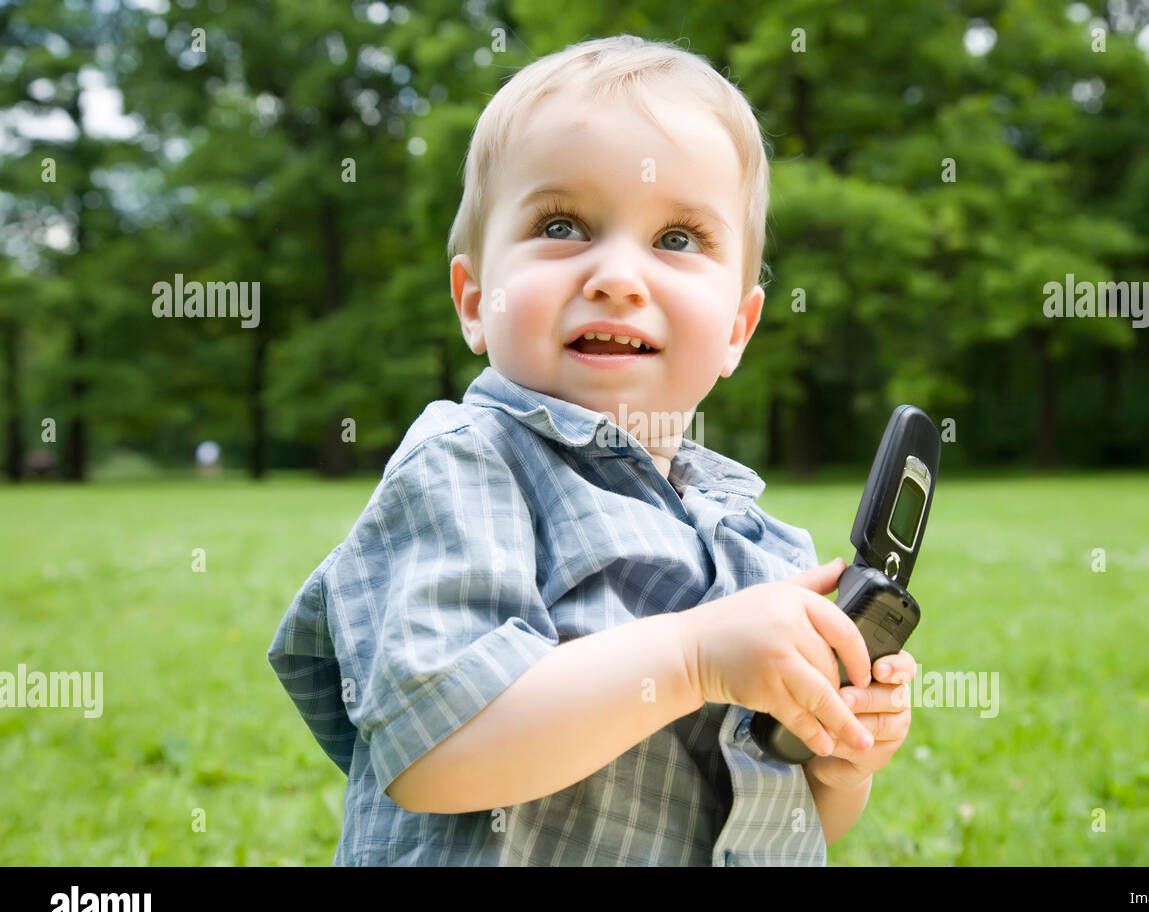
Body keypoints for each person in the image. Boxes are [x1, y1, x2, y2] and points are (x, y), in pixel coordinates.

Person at [267, 34, 914, 866]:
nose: (618, 276)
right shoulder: (467, 468)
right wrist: (693, 657)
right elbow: (436, 753)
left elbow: (778, 826)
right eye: (562, 225)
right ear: (474, 299)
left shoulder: (763, 551)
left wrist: (834, 760)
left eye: (679, 238)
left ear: (737, 330)